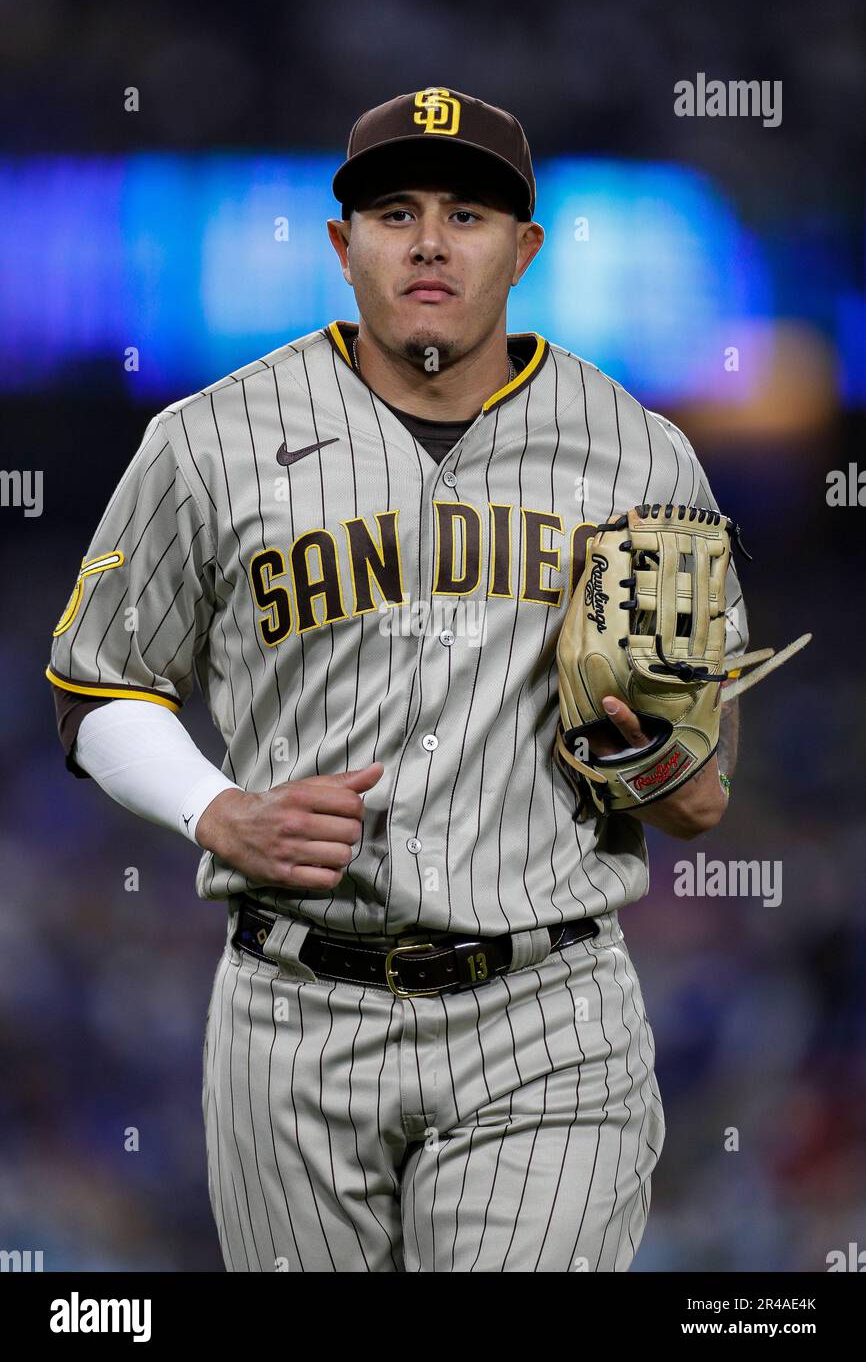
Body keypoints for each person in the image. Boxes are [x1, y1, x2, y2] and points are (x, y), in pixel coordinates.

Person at [46, 86, 745, 1272]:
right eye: (392, 211)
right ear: (341, 242)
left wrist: (646, 755)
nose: (427, 240)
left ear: (523, 248)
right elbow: (94, 683)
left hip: (547, 1010)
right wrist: (215, 808)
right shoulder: (204, 439)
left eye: (466, 214)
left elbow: (700, 799)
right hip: (290, 1011)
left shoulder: (637, 449)